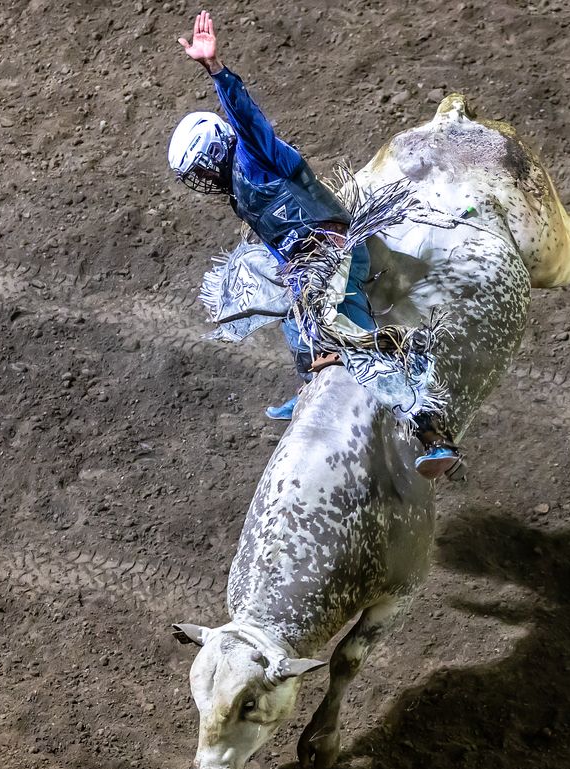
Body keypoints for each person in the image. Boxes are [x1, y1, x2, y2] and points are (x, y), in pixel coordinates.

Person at [170, 11, 460, 479]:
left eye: (202, 169)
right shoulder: (239, 189)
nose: (203, 181)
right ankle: (312, 380)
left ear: (220, 150)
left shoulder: (257, 155)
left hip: (336, 251)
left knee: (348, 332)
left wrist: (215, 70)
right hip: (305, 263)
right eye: (196, 177)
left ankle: (431, 429)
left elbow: (247, 118)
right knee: (270, 287)